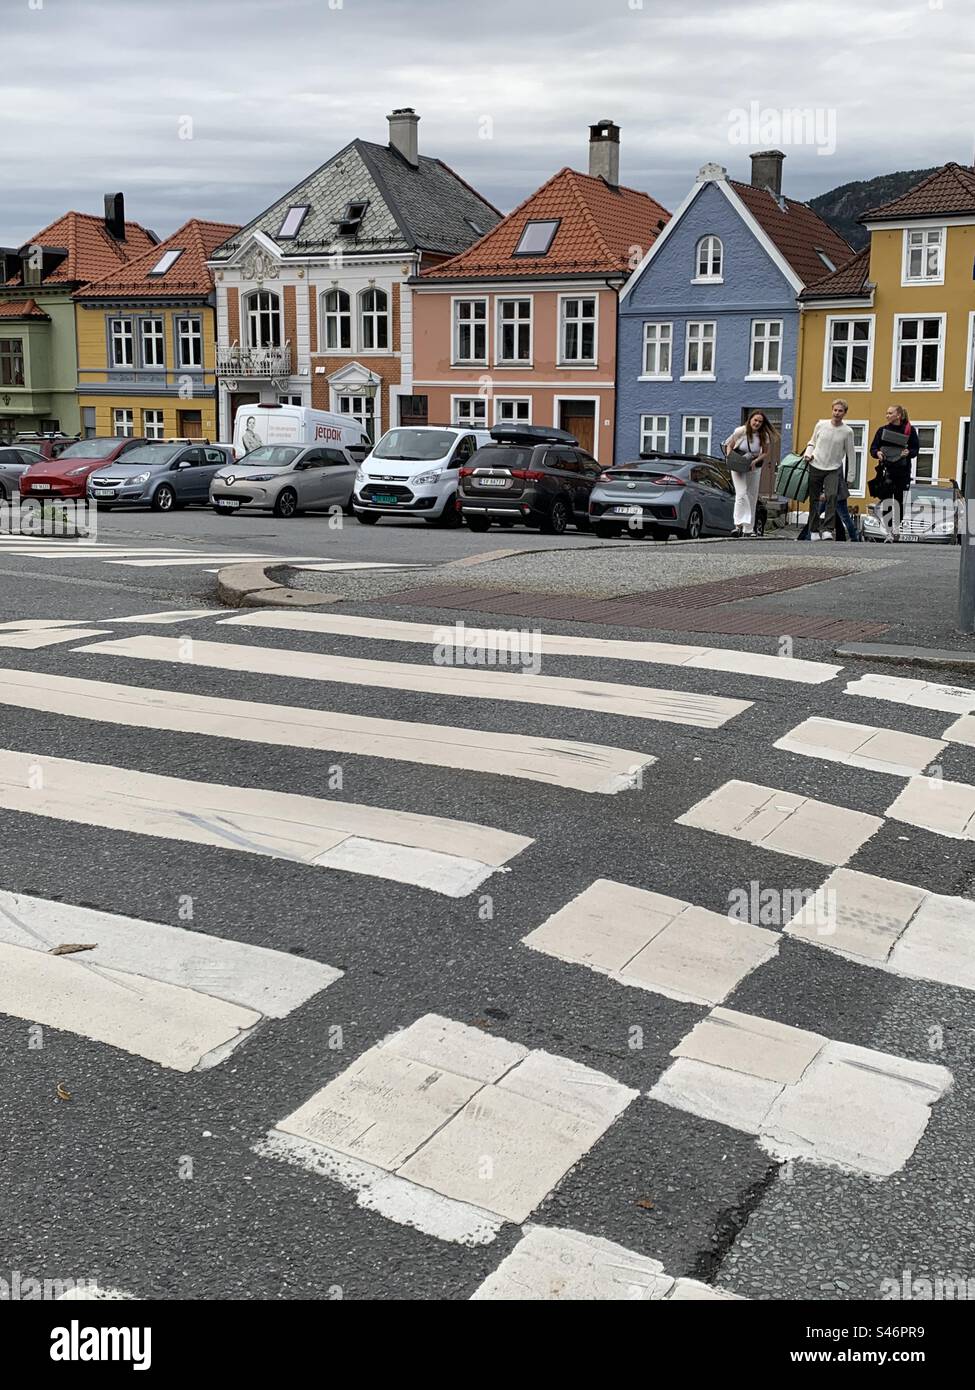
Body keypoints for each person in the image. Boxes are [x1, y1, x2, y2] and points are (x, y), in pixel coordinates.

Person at [801, 399, 856, 542]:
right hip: (816, 464)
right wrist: (808, 454)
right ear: (832, 410)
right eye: (835, 410)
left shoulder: (847, 431)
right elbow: (812, 442)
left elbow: (851, 454)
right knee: (814, 499)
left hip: (833, 468)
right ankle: (813, 530)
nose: (837, 413)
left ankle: (827, 530)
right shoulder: (821, 425)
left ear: (844, 413)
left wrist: (850, 477)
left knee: (832, 496)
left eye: (840, 411)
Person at [722, 411, 776, 537]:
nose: (757, 423)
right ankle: (738, 525)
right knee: (741, 493)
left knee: (752, 496)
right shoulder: (740, 431)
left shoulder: (764, 435)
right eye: (755, 420)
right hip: (738, 465)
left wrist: (755, 461)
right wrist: (730, 457)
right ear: (750, 419)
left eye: (760, 421)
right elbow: (729, 445)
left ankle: (749, 529)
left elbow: (765, 452)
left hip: (754, 467)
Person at [870, 404, 919, 541]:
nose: (887, 415)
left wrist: (908, 452)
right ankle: (889, 530)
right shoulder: (882, 430)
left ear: (898, 415)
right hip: (886, 470)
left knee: (898, 501)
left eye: (890, 413)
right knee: (886, 500)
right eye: (887, 413)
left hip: (902, 471)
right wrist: (877, 453)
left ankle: (896, 527)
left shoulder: (909, 430)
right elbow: (873, 448)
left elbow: (915, 450)